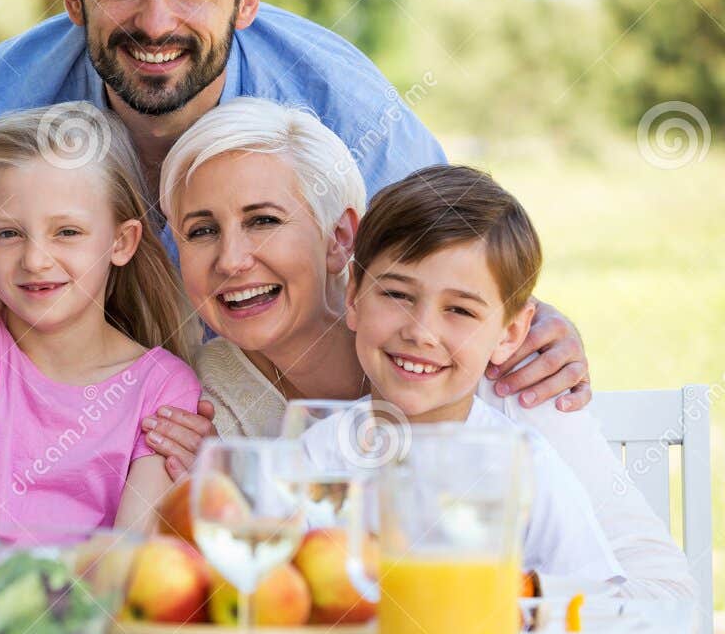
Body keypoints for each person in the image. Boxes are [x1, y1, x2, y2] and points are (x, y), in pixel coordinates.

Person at [0, 0, 595, 414]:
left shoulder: (339, 105)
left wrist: (534, 319)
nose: (156, 21)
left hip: (279, 431)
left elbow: (459, 255)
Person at [155, 98, 689, 598]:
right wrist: (219, 492)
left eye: (264, 220)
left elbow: (632, 589)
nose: (231, 260)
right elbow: (245, 579)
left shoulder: (517, 387)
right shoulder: (208, 398)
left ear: (341, 238)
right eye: (201, 230)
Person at [301, 165, 620, 585]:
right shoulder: (319, 458)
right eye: (396, 294)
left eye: (460, 310)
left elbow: (595, 599)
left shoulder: (521, 466)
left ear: (510, 333)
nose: (419, 331)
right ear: (355, 297)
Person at [0, 103, 202, 538]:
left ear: (122, 242)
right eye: (8, 234)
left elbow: (127, 566)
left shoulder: (165, 386)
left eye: (67, 232)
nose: (35, 260)